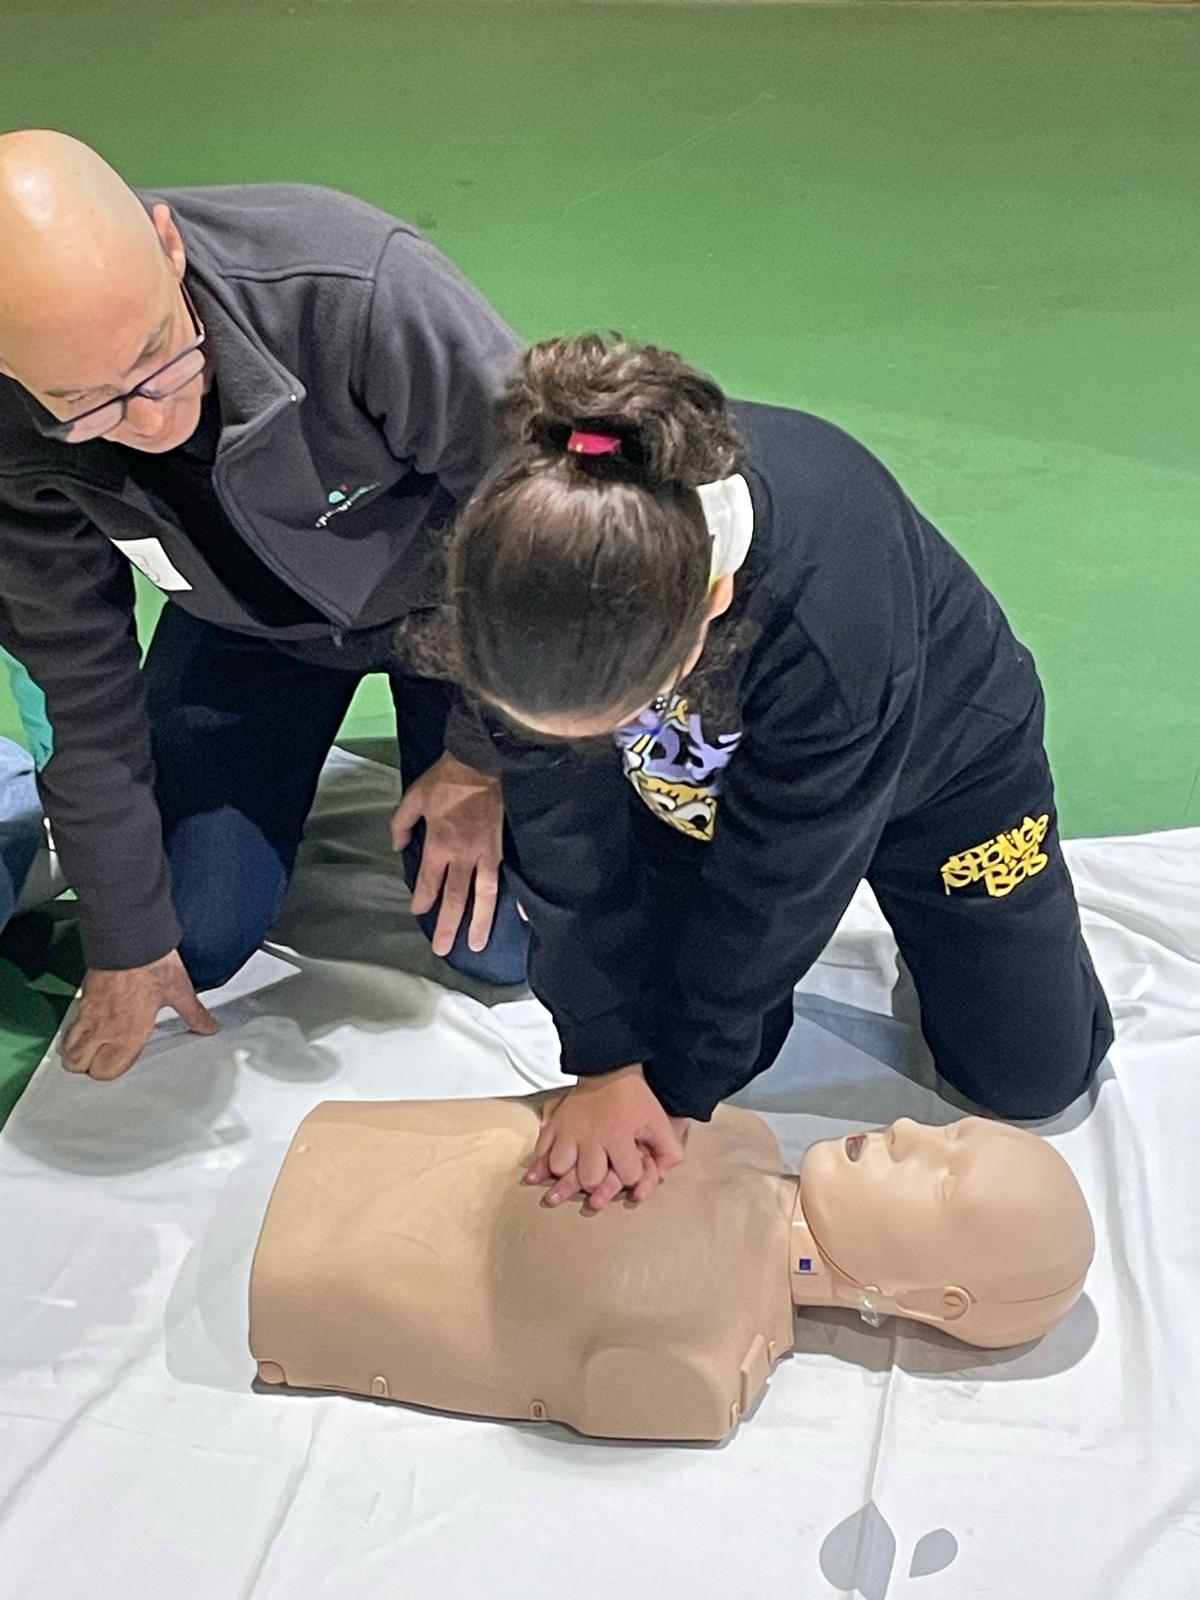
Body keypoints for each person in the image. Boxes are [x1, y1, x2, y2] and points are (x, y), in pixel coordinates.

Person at [436, 335, 1114, 1209]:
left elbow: (784, 883)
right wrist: (604, 1058)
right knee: (724, 1048)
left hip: (944, 779)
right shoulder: (530, 549)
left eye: (613, 717)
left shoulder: (834, 614)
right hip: (696, 782)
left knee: (1029, 1076)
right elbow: (557, 826)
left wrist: (675, 1092)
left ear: (710, 605)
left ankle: (954, 935)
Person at [0, 130, 529, 1083]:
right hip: (243, 625)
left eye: (158, 357)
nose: (152, 421)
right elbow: (75, 673)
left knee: (503, 950)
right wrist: (124, 932)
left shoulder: (356, 288)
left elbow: (545, 524)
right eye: (87, 406)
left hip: (456, 610)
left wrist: (481, 758)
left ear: (169, 246)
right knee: (178, 941)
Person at [250, 1098, 1095, 1441]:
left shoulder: (706, 1360)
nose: (908, 1129)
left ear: (935, 1299)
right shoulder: (739, 1131)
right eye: (949, 1133)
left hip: (321, 1275)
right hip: (374, 1155)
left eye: (943, 1181)